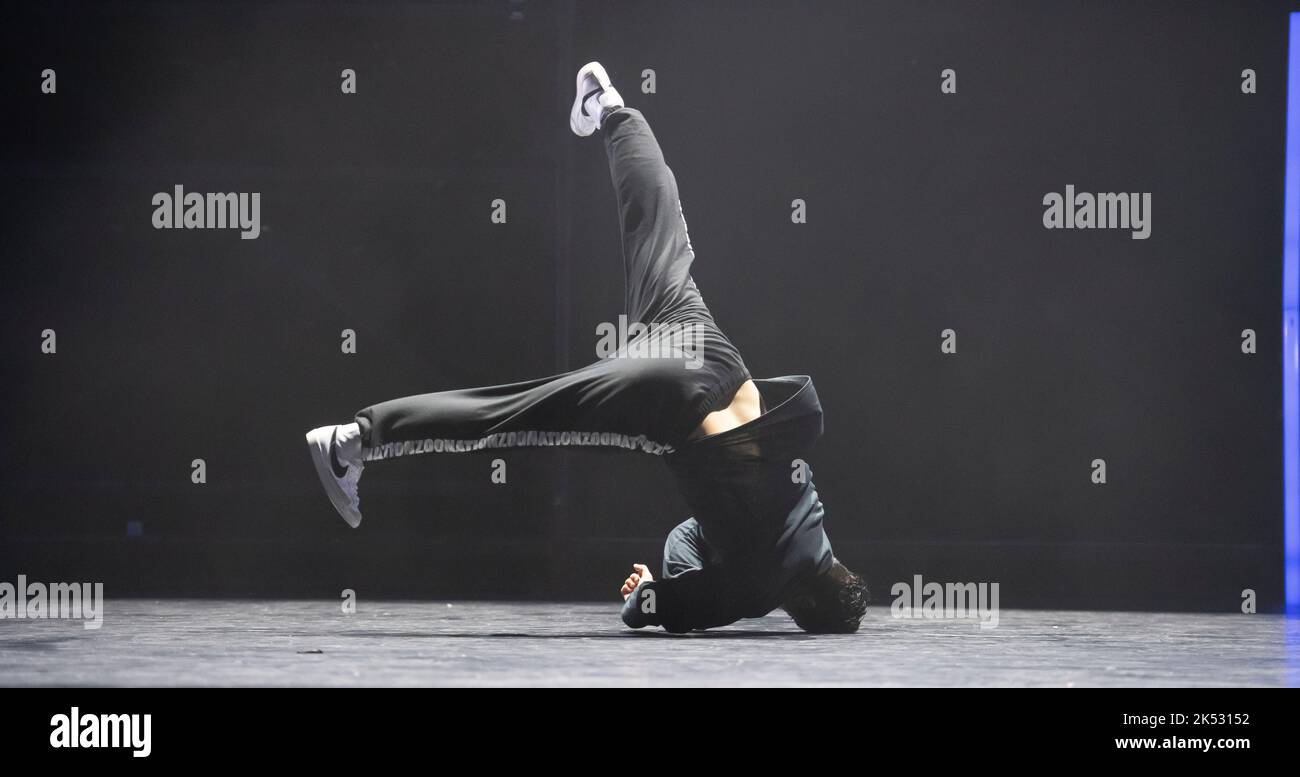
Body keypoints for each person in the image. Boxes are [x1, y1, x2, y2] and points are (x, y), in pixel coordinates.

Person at [306, 62, 868, 633]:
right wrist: (649, 592)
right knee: (515, 414)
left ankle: (609, 108)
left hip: (711, 351)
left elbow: (689, 534)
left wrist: (678, 575)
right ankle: (353, 441)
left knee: (661, 225)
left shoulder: (809, 519)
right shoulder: (753, 590)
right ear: (800, 613)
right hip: (671, 405)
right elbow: (651, 612)